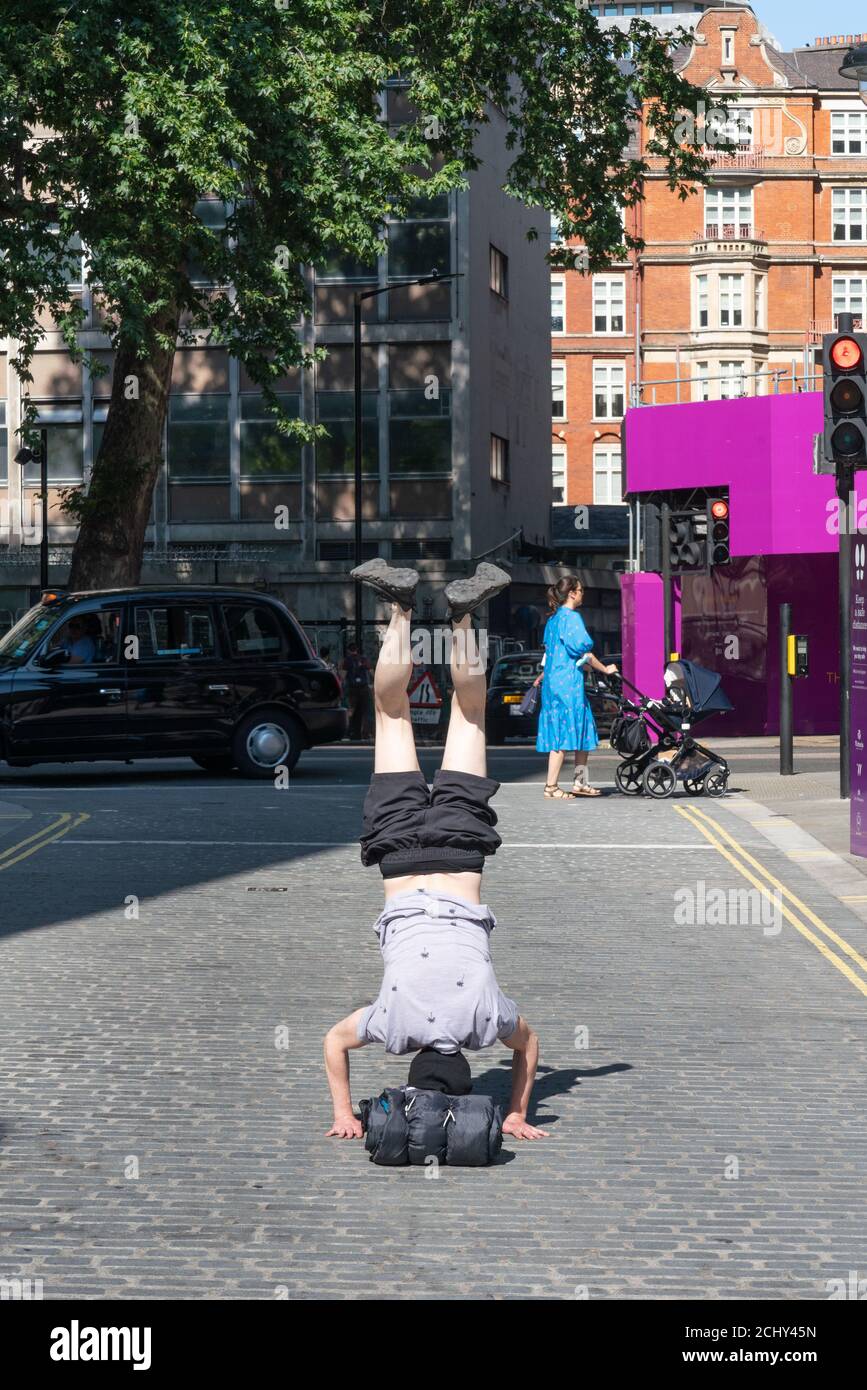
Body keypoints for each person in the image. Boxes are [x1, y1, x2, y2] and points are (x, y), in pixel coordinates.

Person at [324, 557, 549, 1143]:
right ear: (408, 1065)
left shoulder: (486, 1021)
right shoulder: (390, 1027)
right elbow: (333, 1044)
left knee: (468, 713)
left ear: (470, 1066)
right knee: (390, 711)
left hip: (459, 856)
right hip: (399, 859)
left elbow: (529, 1044)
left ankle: (464, 613)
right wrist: (344, 1115)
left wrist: (520, 1111)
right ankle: (399, 607)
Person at [534, 575, 617, 799]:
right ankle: (551, 786)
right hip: (567, 685)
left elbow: (554, 653)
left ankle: (580, 782)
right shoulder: (571, 618)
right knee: (564, 733)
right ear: (571, 593)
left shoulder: (552, 620)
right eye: (580, 590)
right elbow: (585, 652)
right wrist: (605, 669)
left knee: (581, 730)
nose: (582, 594)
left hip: (555, 682)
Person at [340, 641, 372, 740]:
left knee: (351, 711)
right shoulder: (363, 659)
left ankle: (349, 731)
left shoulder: (347, 660)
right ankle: (365, 733)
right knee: (365, 711)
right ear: (357, 650)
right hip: (364, 688)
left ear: (349, 651)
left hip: (353, 689)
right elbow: (371, 671)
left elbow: (343, 676)